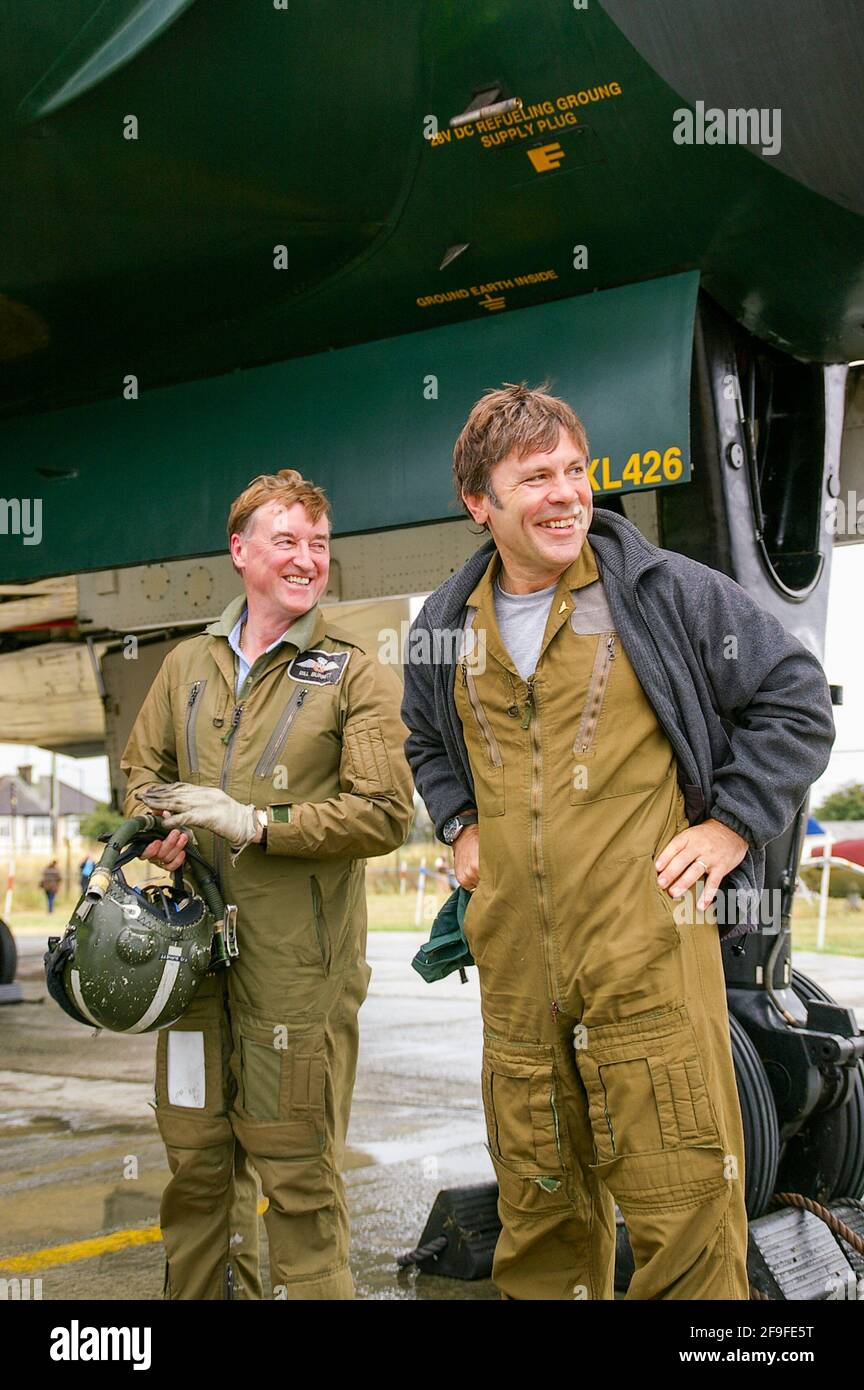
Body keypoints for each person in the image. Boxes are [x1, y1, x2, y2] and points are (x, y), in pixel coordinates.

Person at [400, 383, 835, 1300]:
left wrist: (728, 826)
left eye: (575, 471)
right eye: (536, 478)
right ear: (481, 504)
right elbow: (427, 740)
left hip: (644, 954)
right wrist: (458, 820)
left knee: (683, 1209)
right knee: (541, 1207)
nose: (566, 495)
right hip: (516, 962)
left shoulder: (661, 593)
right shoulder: (446, 625)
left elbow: (795, 696)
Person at [121, 468, 414, 1300]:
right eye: (286, 540)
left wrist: (257, 823)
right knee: (195, 1170)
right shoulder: (186, 667)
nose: (307, 558)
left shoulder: (354, 673)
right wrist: (162, 825)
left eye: (318, 544)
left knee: (298, 1179)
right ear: (241, 551)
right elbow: (140, 770)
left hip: (297, 973)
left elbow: (384, 814)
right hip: (191, 967)